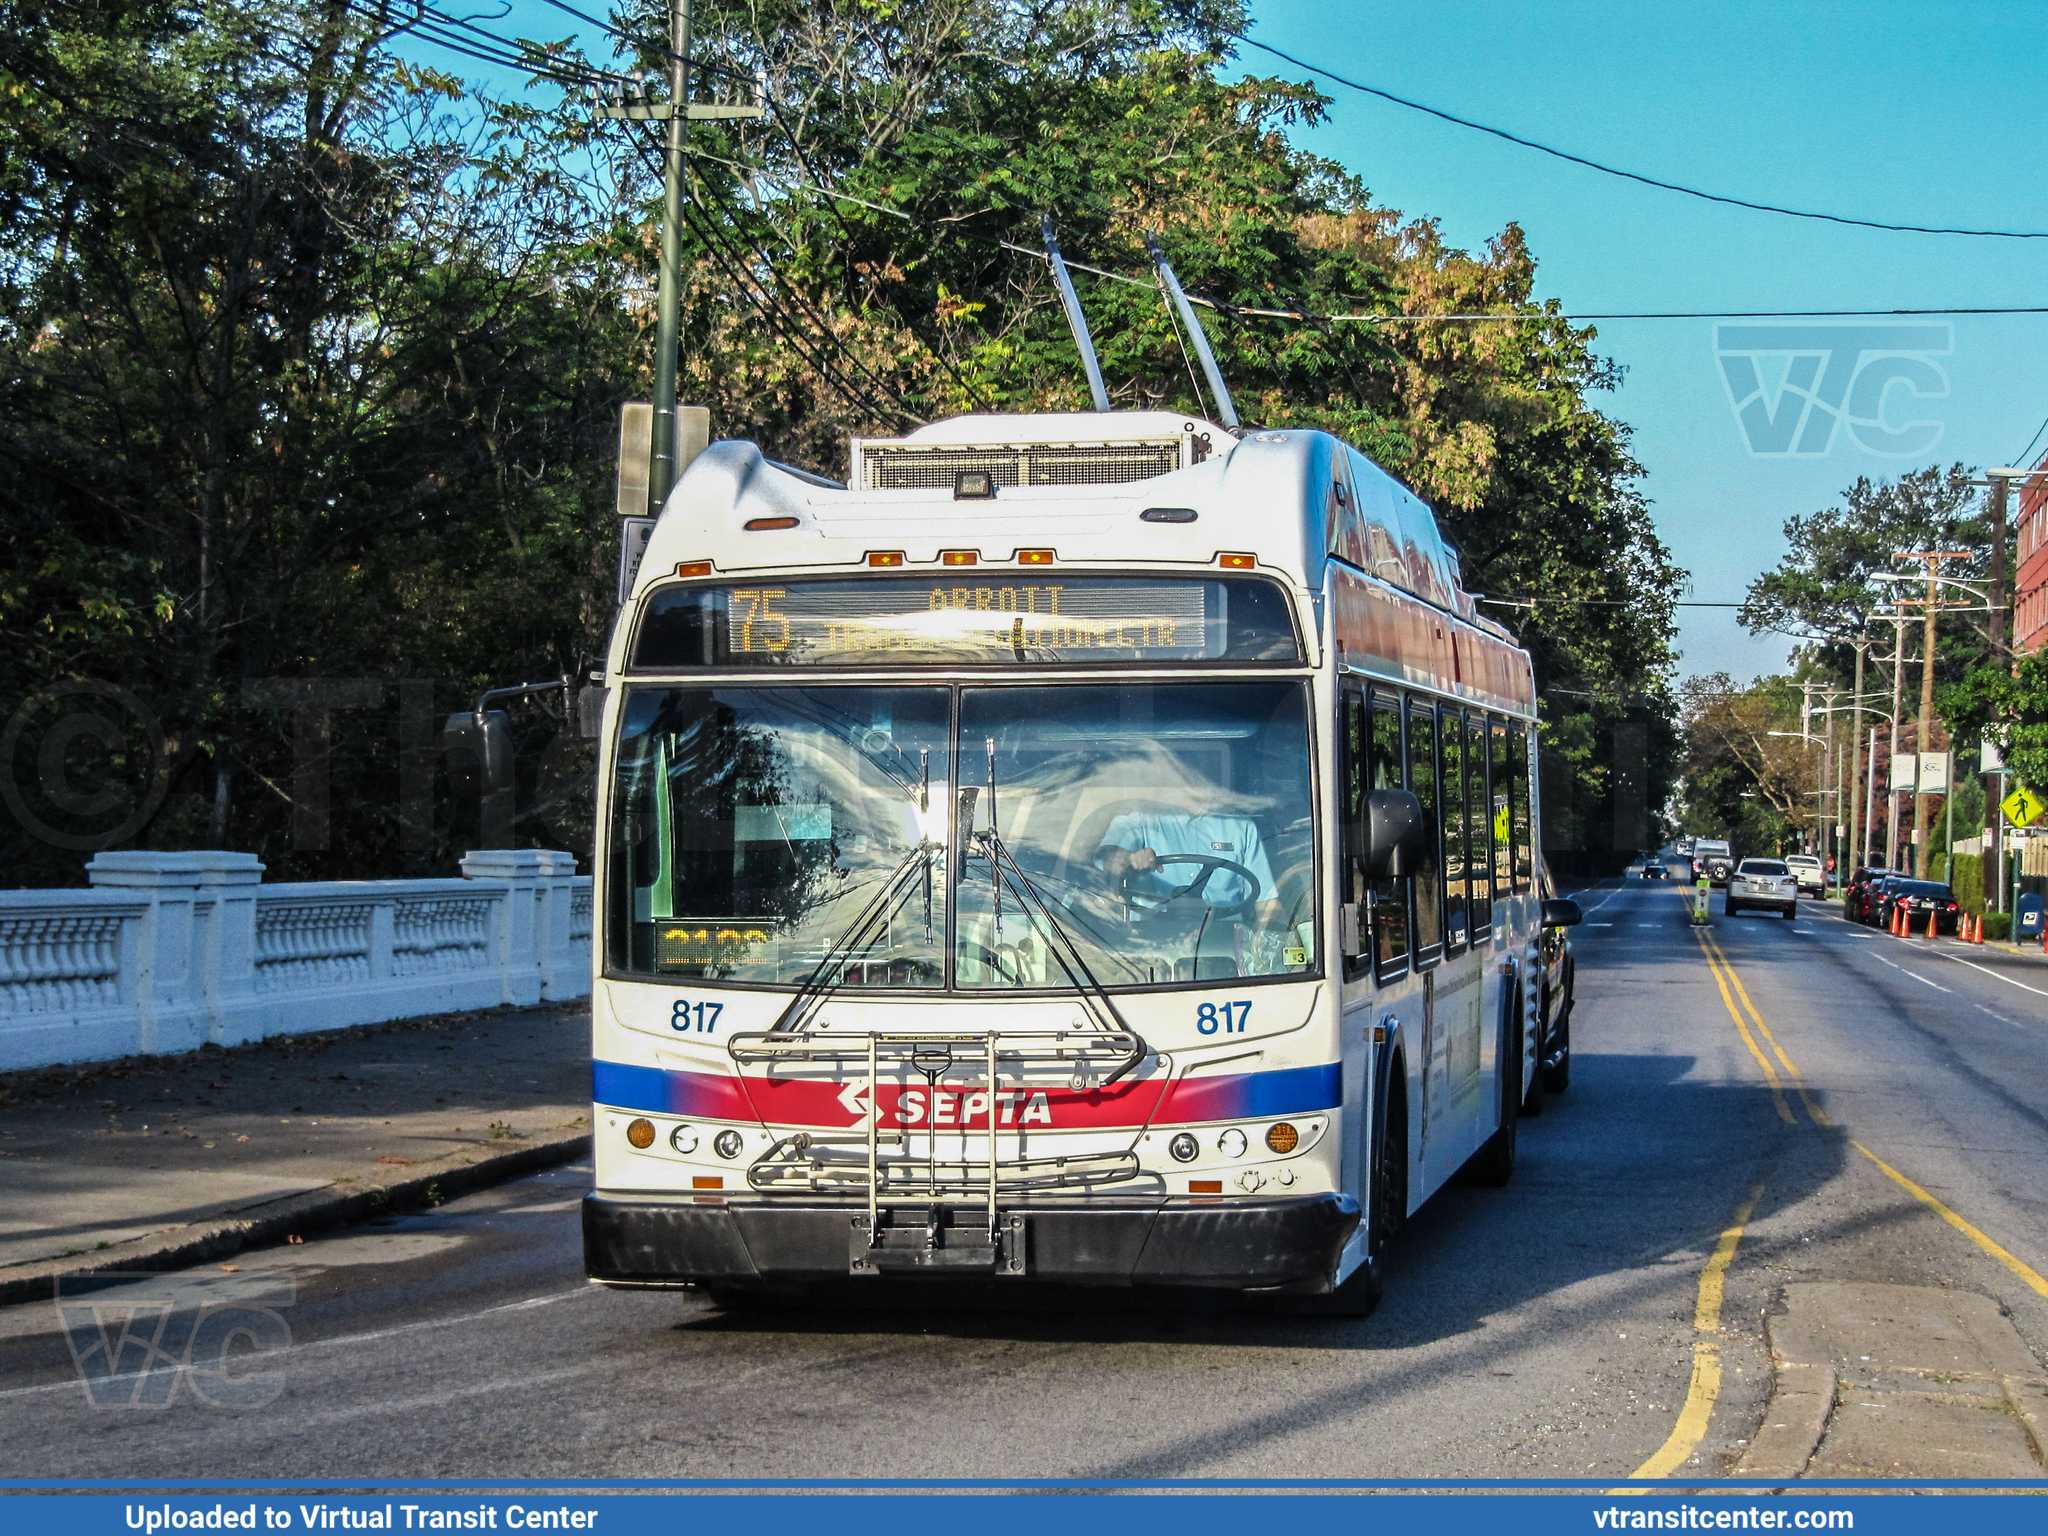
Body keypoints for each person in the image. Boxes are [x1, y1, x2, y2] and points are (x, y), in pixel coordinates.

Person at [1094, 807, 1279, 915]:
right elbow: (1109, 858)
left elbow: (1267, 904)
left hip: (1225, 939)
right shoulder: (1140, 818)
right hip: (1151, 943)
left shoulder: (1241, 826)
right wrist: (1129, 859)